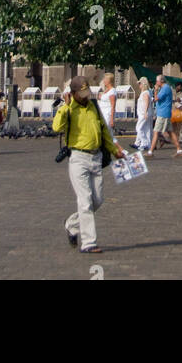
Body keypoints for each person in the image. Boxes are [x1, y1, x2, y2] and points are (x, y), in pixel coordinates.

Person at [53, 76, 125, 255]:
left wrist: (114, 149)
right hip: (78, 158)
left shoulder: (93, 106)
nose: (85, 97)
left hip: (96, 158)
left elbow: (103, 132)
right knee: (85, 201)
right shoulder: (69, 109)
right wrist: (66, 106)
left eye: (87, 93)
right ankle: (88, 243)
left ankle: (71, 224)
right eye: (81, 94)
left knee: (97, 200)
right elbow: (56, 127)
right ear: (73, 94)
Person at [149, 74, 174, 157]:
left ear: (161, 81)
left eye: (157, 81)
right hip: (164, 112)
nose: (156, 82)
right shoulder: (164, 88)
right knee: (171, 132)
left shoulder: (165, 88)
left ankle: (150, 152)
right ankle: (179, 150)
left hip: (163, 113)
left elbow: (156, 99)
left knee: (156, 131)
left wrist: (155, 90)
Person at [133, 77, 153, 152]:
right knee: (147, 129)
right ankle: (147, 144)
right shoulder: (146, 92)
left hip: (143, 113)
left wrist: (145, 112)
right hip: (145, 113)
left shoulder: (145, 93)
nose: (139, 85)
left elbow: (146, 102)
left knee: (139, 128)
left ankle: (144, 143)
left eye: (140, 84)